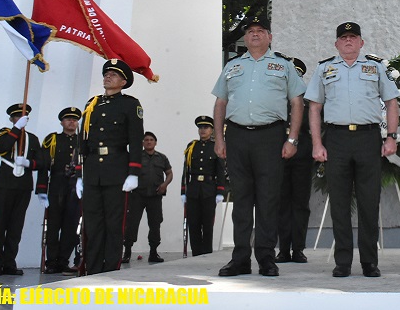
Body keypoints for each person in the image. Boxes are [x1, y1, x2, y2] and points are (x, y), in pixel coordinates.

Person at [212, 16, 305, 277]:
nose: (255, 34)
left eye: (260, 31)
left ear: (270, 37)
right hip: (237, 137)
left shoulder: (283, 65)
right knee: (241, 200)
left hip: (270, 137)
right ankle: (240, 258)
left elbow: (297, 103)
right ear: (245, 37)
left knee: (268, 199)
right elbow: (220, 103)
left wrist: (292, 139)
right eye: (250, 31)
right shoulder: (232, 66)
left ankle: (266, 257)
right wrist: (219, 138)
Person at [306, 22, 399, 278]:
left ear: (361, 42)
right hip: (336, 139)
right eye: (343, 38)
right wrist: (317, 143)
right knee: (339, 203)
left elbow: (391, 102)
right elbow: (314, 108)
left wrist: (391, 137)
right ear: (336, 43)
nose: (348, 41)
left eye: (353, 37)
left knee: (370, 202)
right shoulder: (325, 69)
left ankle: (370, 261)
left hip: (368, 139)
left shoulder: (376, 67)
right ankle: (343, 262)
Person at [77, 59, 144, 274]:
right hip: (92, 171)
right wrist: (80, 173)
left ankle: (110, 269)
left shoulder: (130, 104)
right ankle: (91, 268)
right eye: (106, 73)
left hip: (117, 169)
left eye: (114, 75)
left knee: (114, 223)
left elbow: (135, 139)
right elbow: (83, 140)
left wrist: (133, 172)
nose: (108, 76)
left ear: (123, 82)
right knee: (92, 223)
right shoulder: (92, 104)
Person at [0, 103, 45, 276]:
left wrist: (29, 163)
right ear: (12, 119)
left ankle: (9, 262)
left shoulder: (33, 139)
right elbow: (3, 147)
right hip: (4, 185)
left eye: (23, 118)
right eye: (17, 117)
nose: (20, 120)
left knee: (15, 227)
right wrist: (16, 129)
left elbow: (43, 163)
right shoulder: (4, 133)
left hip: (23, 186)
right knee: (0, 225)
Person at [276, 58, 314, 264]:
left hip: (302, 156)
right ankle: (283, 249)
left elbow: (317, 127)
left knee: (300, 203)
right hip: (279, 156)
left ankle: (298, 248)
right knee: (282, 203)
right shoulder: (276, 100)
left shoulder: (308, 104)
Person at [38, 107, 83, 274]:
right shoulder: (53, 140)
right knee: (53, 225)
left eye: (74, 119)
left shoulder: (82, 141)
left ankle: (64, 260)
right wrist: (41, 189)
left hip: (75, 187)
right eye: (68, 119)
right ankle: (51, 262)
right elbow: (44, 165)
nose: (71, 122)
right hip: (57, 184)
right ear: (62, 122)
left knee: (71, 226)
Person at [123, 131, 173, 264]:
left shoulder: (162, 157)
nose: (149, 142)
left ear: (155, 142)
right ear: (142, 143)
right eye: (146, 140)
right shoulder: (136, 157)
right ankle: (127, 252)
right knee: (132, 224)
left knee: (155, 224)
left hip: (155, 196)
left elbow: (169, 173)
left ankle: (153, 253)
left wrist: (165, 184)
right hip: (137, 195)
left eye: (151, 140)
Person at [181, 116, 226, 256]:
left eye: (206, 128)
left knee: (207, 224)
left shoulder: (216, 147)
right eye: (200, 128)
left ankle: (206, 253)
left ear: (212, 130)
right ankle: (195, 253)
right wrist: (183, 191)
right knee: (193, 224)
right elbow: (186, 170)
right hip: (193, 189)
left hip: (209, 189)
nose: (202, 130)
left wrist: (220, 191)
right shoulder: (192, 146)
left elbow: (220, 170)